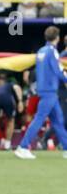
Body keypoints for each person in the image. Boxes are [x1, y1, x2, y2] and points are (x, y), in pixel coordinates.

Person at [14, 26, 67, 159]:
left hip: (44, 89)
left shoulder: (41, 51)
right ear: (57, 38)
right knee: (39, 119)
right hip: (50, 90)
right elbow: (57, 70)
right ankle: (23, 147)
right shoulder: (52, 51)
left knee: (58, 120)